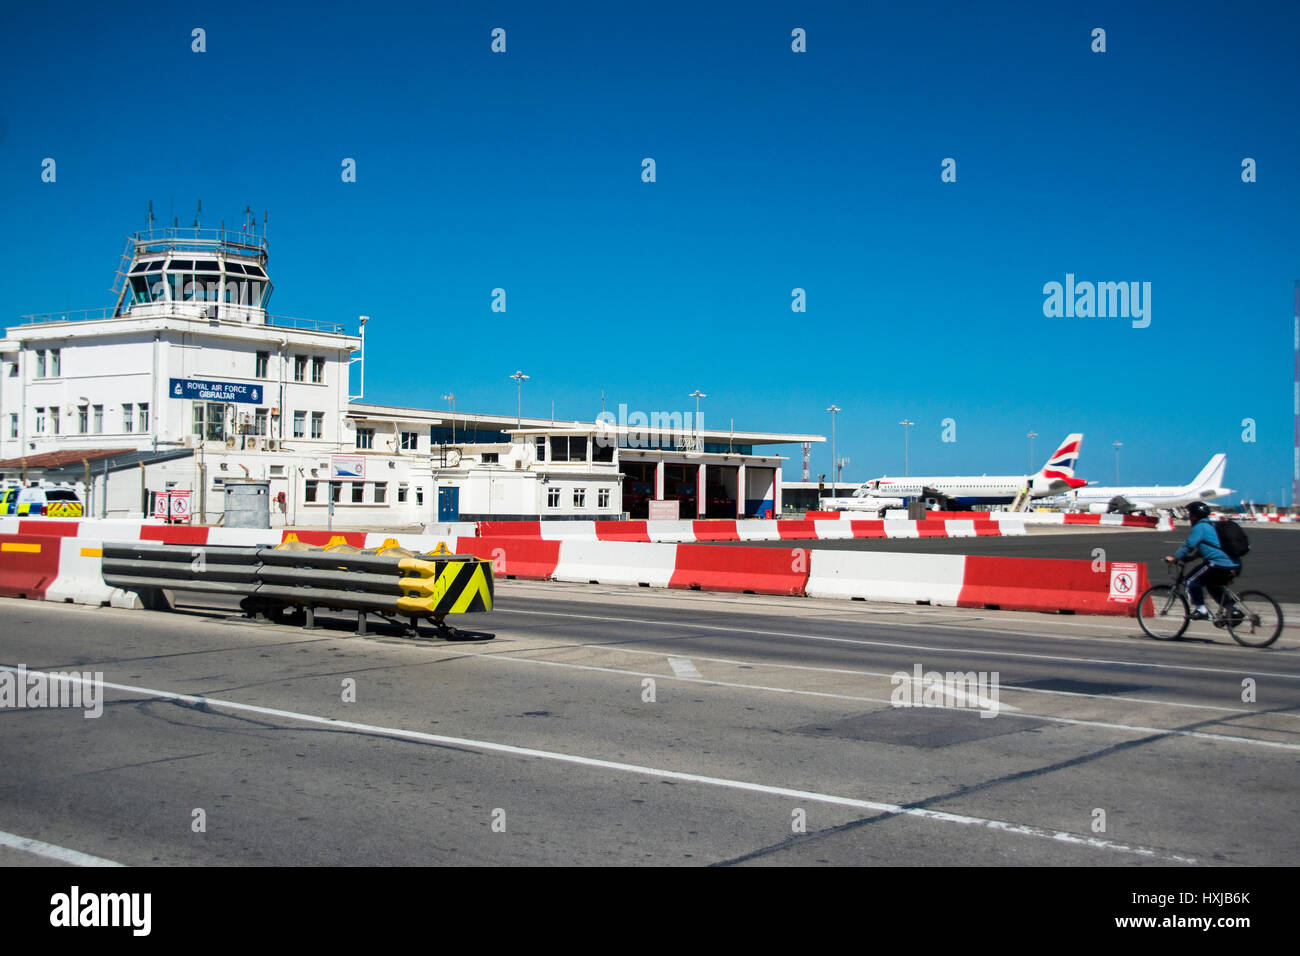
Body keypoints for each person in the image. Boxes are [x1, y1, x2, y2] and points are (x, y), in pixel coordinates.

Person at [1164, 501, 1240, 619]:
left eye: (1190, 514)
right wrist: (1191, 558)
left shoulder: (1200, 527)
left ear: (1194, 516)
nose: (1189, 517)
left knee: (1190, 581)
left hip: (1218, 564)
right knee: (1212, 586)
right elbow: (1210, 547)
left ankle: (1201, 610)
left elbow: (1189, 545)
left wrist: (1175, 558)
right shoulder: (1212, 525)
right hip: (1233, 564)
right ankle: (1233, 611)